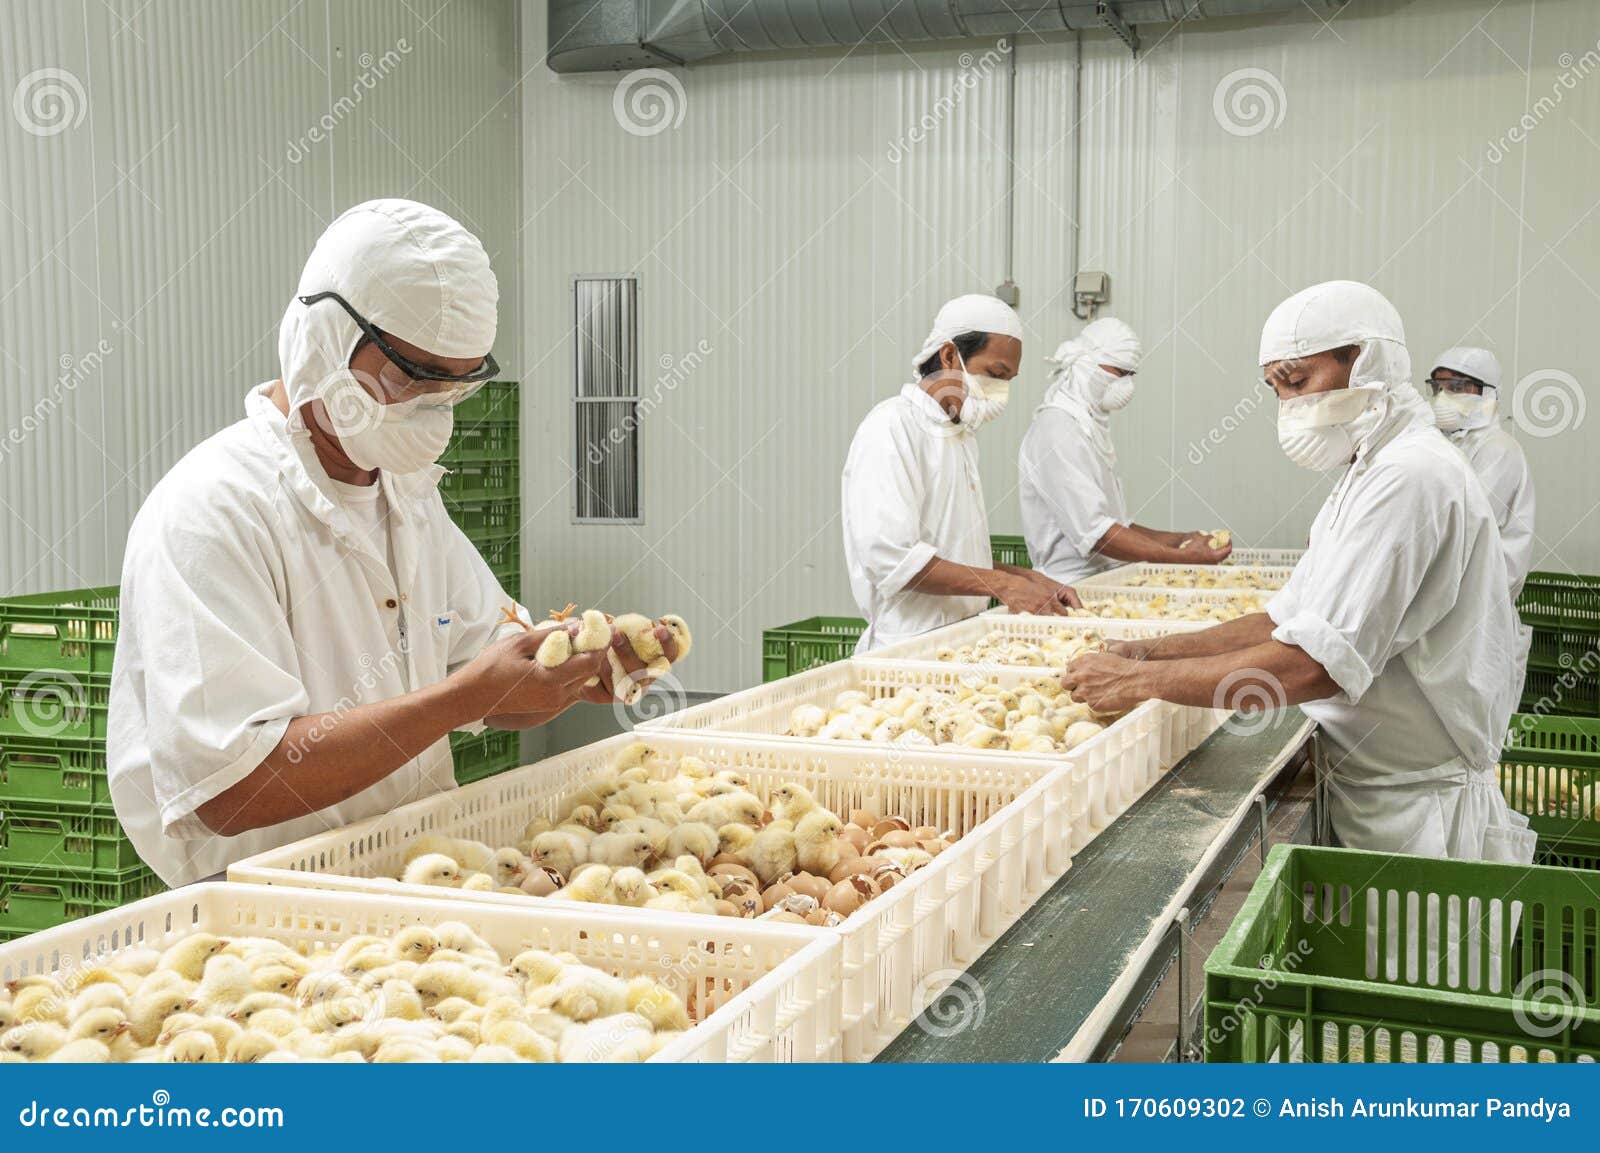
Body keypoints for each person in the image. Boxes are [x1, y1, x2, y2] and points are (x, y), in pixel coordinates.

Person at [108, 199, 677, 886]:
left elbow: (492, 673)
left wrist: (573, 673)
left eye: (451, 387)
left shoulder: (405, 493)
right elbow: (233, 787)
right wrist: (457, 699)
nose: (432, 409)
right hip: (262, 914)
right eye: (411, 377)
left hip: (407, 877)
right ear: (322, 336)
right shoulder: (212, 510)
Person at [1062, 281, 1534, 864]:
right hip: (1373, 788)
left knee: (1409, 957)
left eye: (1297, 381)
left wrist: (1139, 684)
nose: (1288, 406)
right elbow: (1284, 621)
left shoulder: (1410, 476)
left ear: (1366, 360)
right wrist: (1151, 652)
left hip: (1417, 817)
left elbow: (1314, 664)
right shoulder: (1368, 471)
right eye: (1276, 389)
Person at [841, 293, 1080, 653]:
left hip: (959, 643)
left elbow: (953, 554)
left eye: (1009, 379)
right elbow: (891, 559)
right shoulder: (892, 427)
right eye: (995, 375)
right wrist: (1001, 585)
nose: (1002, 392)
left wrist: (1026, 577)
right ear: (950, 355)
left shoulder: (960, 437)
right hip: (907, 649)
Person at [1018, 318, 1231, 585]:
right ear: (1085, 365)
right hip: (1068, 586)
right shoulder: (1058, 431)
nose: (1126, 384)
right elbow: (1097, 534)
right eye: (1120, 373)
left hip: (1103, 581)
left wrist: (1182, 540)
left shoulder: (1087, 429)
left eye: (1131, 374)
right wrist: (1180, 558)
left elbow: (1116, 527)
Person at [1427, 346, 1536, 700]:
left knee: (1476, 735)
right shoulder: (1440, 445)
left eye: (1458, 387)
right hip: (1446, 612)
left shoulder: (1499, 450)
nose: (1444, 397)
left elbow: (1458, 527)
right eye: (1438, 386)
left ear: (1487, 394)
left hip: (1480, 615)